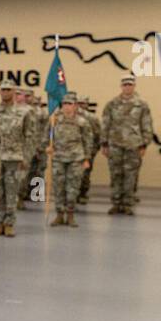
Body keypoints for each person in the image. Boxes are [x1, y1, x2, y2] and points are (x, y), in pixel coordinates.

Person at [100, 75, 153, 215]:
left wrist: (144, 145)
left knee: (131, 175)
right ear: (121, 86)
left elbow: (146, 125)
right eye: (125, 85)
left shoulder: (141, 104)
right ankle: (116, 203)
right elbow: (105, 123)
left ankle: (128, 204)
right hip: (115, 144)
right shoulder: (112, 104)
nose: (127, 87)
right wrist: (104, 143)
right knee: (115, 174)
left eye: (130, 85)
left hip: (133, 145)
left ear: (134, 86)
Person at [0, 78, 32, 237]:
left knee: (12, 193)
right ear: (0, 92)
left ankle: (9, 224)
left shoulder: (24, 112)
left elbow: (29, 137)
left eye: (9, 89)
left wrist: (26, 158)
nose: (6, 92)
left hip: (14, 158)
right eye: (3, 89)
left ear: (14, 92)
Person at [48, 93, 93, 227]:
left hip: (75, 159)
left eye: (70, 104)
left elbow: (88, 141)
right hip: (58, 158)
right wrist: (48, 147)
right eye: (65, 104)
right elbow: (48, 136)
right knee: (58, 187)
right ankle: (59, 215)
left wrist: (86, 158)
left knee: (73, 188)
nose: (67, 107)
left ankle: (71, 215)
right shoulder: (54, 120)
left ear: (75, 106)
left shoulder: (82, 122)